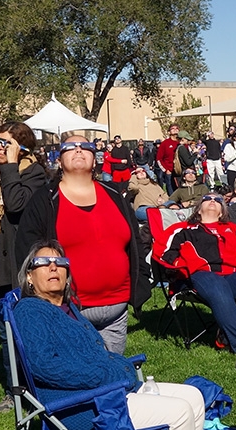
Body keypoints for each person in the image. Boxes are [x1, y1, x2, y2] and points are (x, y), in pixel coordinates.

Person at [11, 242, 219, 430]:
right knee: (179, 412)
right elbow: (44, 366)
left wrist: (116, 371)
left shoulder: (67, 309)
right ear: (29, 276)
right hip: (80, 408)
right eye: (43, 263)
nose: (53, 267)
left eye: (60, 263)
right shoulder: (31, 310)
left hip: (103, 392)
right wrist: (109, 376)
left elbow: (95, 358)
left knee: (193, 396)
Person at [15, 136, 148, 355]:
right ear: (59, 161)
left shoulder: (115, 194)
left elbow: (135, 242)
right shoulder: (45, 200)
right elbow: (26, 251)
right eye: (70, 147)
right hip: (69, 310)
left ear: (94, 159)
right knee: (78, 370)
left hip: (117, 308)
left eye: (85, 147)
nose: (78, 150)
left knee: (113, 371)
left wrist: (141, 279)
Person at [159, 193, 236, 350]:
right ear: (198, 210)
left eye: (218, 200)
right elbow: (164, 251)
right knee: (218, 288)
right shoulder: (182, 229)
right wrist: (183, 266)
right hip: (197, 274)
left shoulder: (234, 229)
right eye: (207, 199)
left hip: (232, 273)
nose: (212, 201)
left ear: (222, 212)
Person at [0, 122, 50, 304]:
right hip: (0, 262)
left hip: (19, 259)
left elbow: (15, 204)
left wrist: (11, 165)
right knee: (3, 314)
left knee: (20, 315)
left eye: (6, 143)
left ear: (21, 149)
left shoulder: (33, 172)